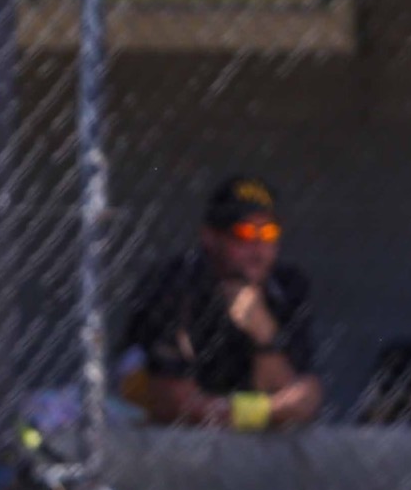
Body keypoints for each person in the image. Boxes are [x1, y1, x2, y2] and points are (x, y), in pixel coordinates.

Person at [117, 174, 323, 431]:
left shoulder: (286, 286)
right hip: (158, 438)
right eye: (245, 233)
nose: (259, 247)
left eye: (269, 232)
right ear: (210, 237)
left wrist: (263, 333)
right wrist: (269, 410)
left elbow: (303, 397)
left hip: (248, 434)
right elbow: (175, 402)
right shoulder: (174, 284)